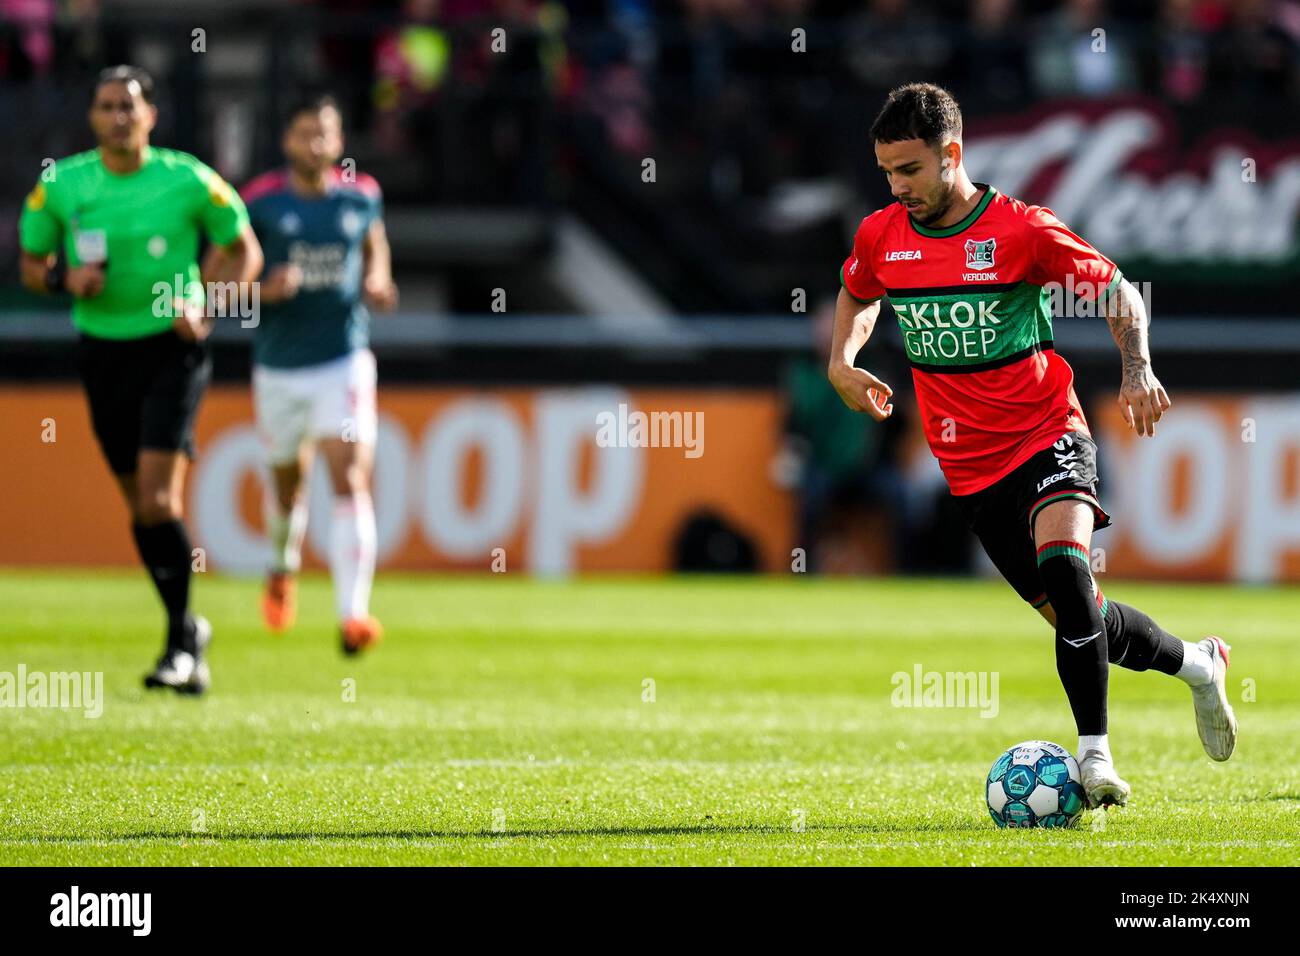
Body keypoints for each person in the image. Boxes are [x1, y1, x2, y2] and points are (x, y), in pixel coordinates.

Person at [828, 82, 1236, 809]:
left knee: (1067, 567)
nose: (898, 186)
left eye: (911, 169)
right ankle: (1200, 665)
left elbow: (1118, 290)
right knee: (1089, 622)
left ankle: (1095, 759)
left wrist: (1137, 367)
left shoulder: (1020, 230)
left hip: (1048, 433)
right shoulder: (880, 234)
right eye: (887, 171)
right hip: (973, 471)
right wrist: (843, 361)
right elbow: (860, 292)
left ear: (952, 154)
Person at [17, 65, 262, 694]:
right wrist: (61, 280)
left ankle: (181, 640)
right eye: (106, 106)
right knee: (138, 506)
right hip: (103, 352)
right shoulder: (63, 185)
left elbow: (244, 249)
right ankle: (187, 630)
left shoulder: (186, 179)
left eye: (129, 106)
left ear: (150, 115)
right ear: (92, 117)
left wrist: (207, 305)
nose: (118, 117)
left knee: (158, 500)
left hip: (169, 351)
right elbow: (30, 261)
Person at [240, 94, 397, 656]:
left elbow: (375, 245)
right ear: (287, 141)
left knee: (349, 477)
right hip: (280, 368)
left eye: (325, 134)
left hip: (343, 359)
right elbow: (220, 287)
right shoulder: (258, 204)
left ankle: (354, 615)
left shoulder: (362, 197)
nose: (316, 144)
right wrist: (262, 292)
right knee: (288, 489)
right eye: (305, 133)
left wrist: (378, 279)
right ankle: (282, 566)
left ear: (339, 143)